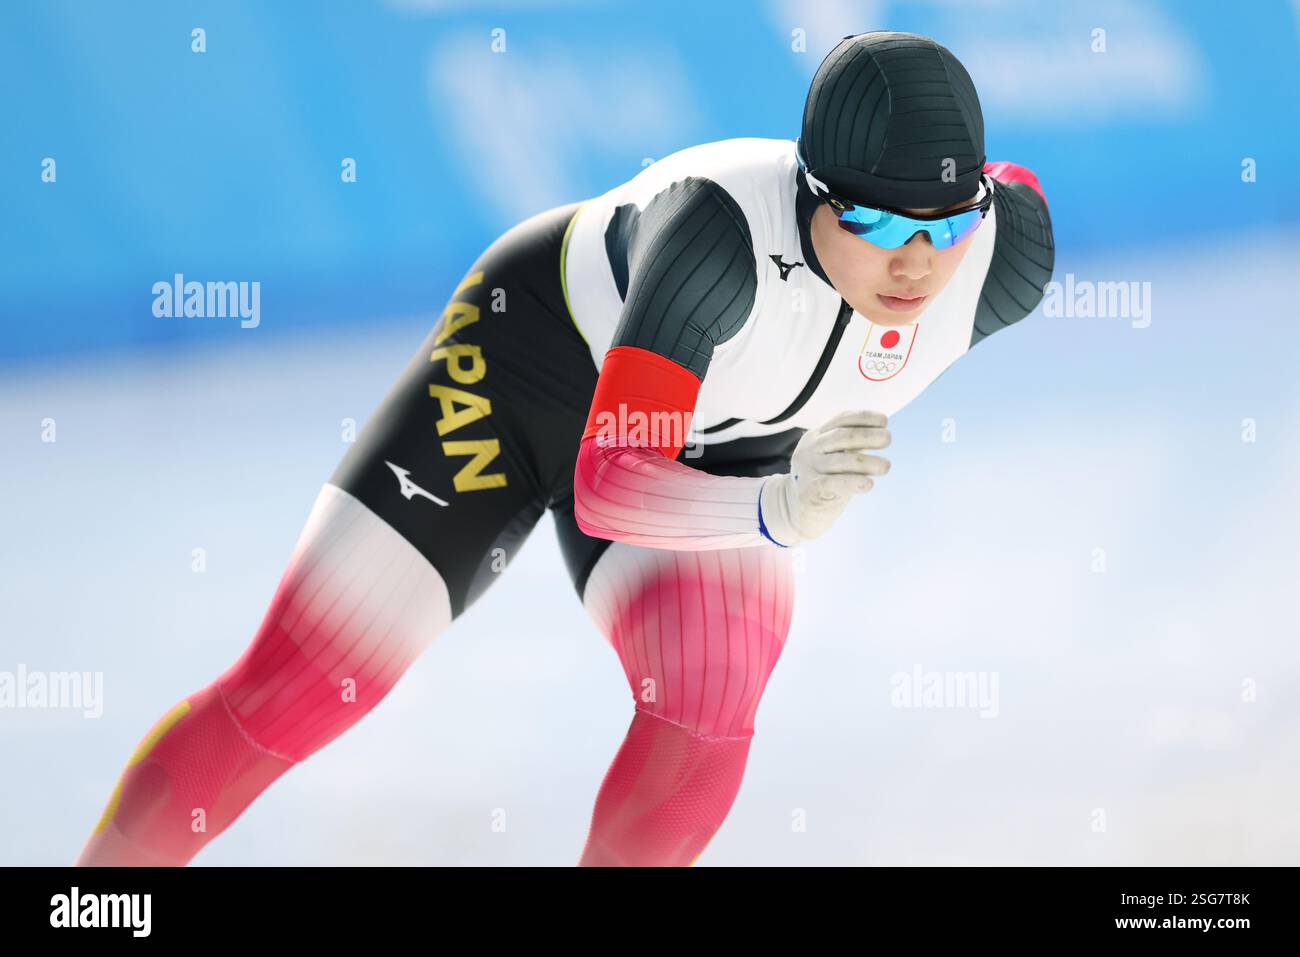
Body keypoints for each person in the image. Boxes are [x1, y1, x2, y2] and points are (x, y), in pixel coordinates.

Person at [76, 30, 1054, 867]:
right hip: (533, 366)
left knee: (709, 703)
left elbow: (1016, 187)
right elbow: (612, 484)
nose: (916, 263)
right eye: (875, 221)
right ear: (809, 192)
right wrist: (776, 510)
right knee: (306, 683)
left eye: (947, 222)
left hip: (732, 439)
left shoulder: (1004, 258)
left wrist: (769, 492)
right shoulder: (716, 249)